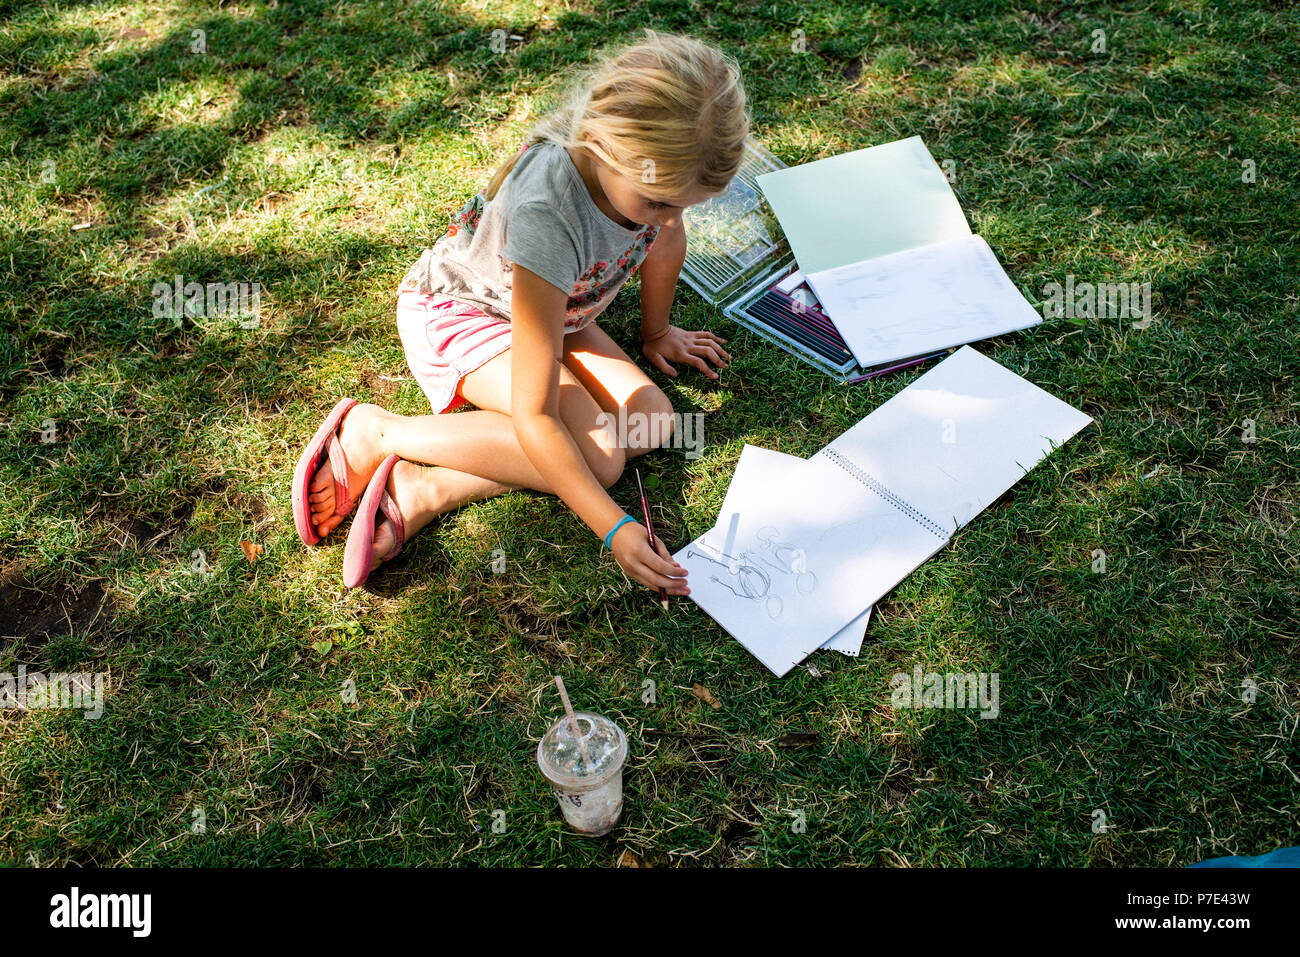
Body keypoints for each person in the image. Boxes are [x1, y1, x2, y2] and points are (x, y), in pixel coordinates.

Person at [291, 30, 748, 590]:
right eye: (657, 202)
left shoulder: (657, 183)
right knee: (601, 458)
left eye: (681, 204)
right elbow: (535, 416)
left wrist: (656, 332)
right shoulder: (550, 218)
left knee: (652, 420)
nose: (666, 216)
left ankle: (428, 487)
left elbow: (668, 239)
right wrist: (615, 527)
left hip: (560, 315)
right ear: (608, 146)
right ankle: (378, 433)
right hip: (465, 315)